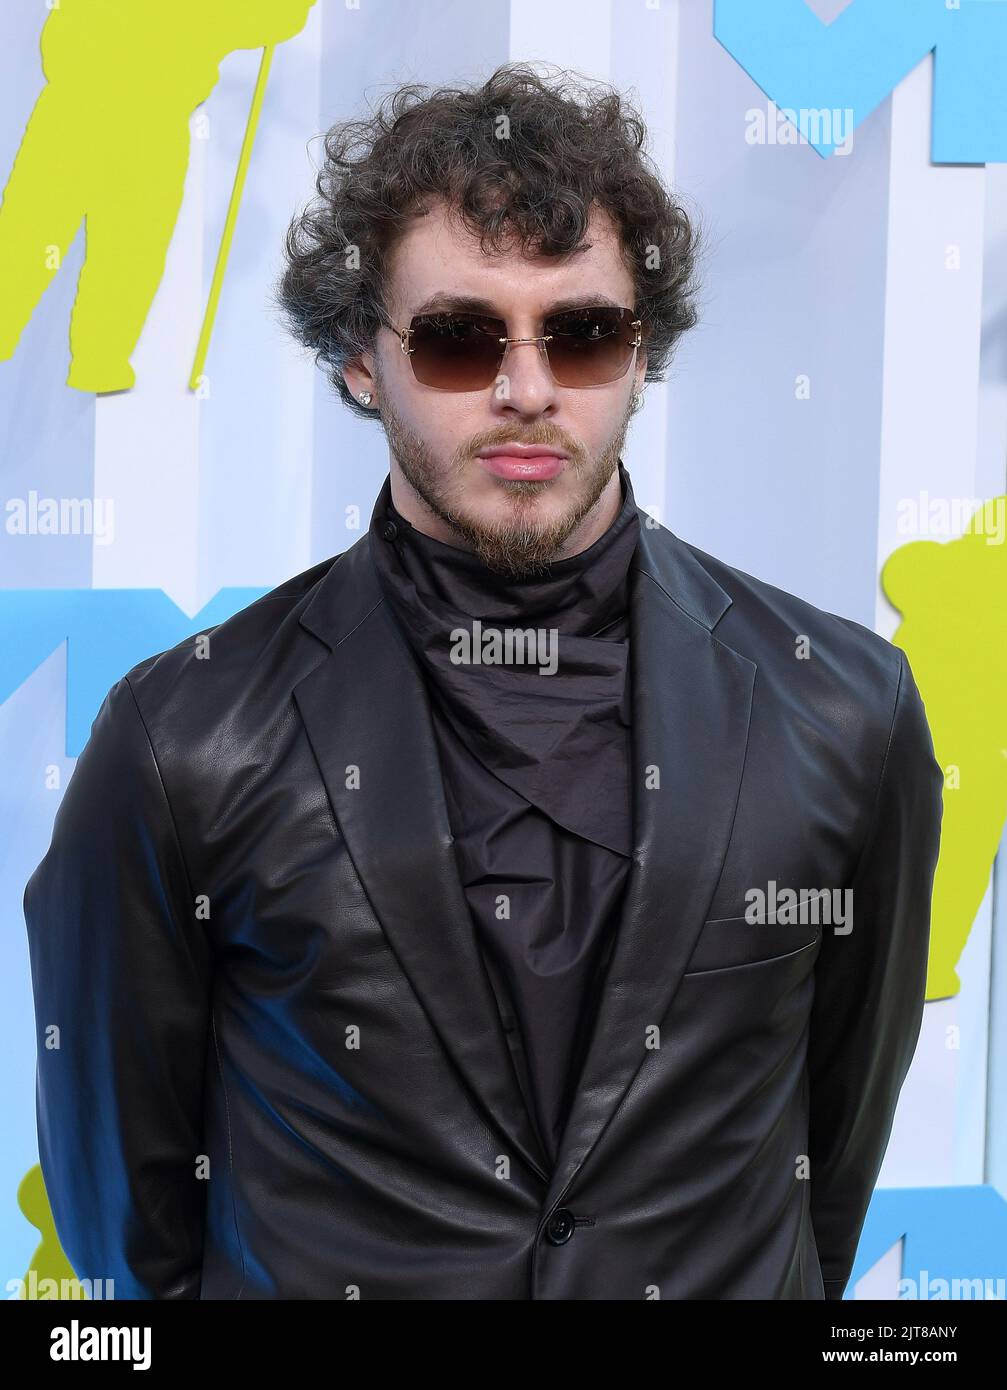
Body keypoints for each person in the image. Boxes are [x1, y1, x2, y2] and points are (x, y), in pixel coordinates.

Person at [23, 62, 943, 1300]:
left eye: (583, 333)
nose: (526, 388)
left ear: (638, 353)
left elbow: (825, 1158)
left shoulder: (840, 708)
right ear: (361, 359)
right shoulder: (184, 736)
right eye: (459, 338)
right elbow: (127, 1219)